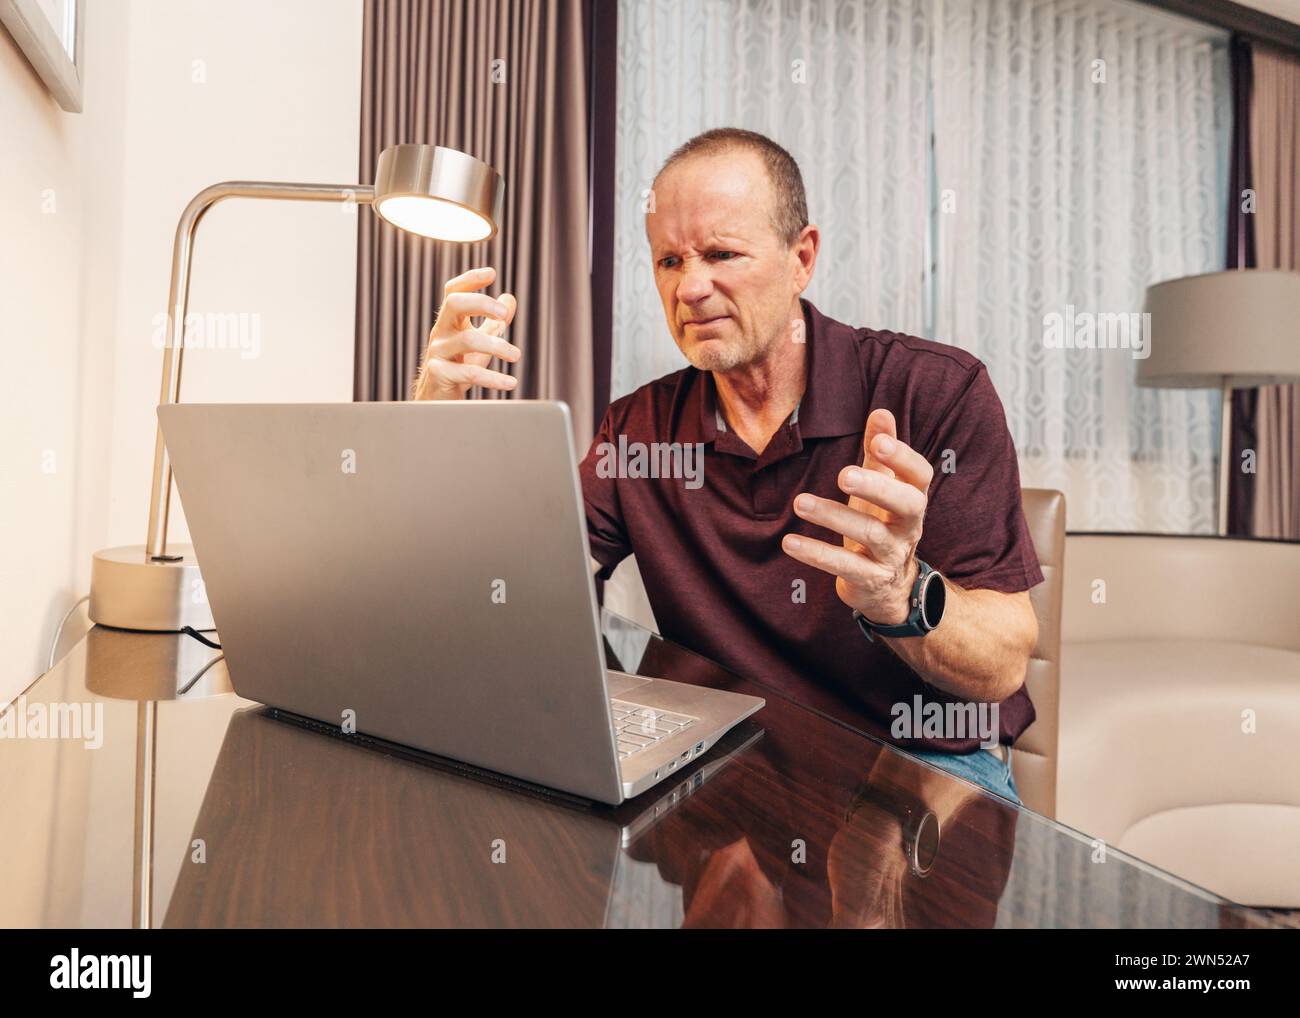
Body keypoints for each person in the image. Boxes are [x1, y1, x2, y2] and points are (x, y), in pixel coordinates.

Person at [412, 128, 1042, 802]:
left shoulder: (934, 391)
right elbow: (509, 583)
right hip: (729, 757)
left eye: (721, 254)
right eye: (668, 261)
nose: (690, 287)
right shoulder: (640, 429)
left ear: (802, 258)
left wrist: (899, 595)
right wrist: (434, 423)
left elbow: (1003, 662)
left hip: (913, 764)